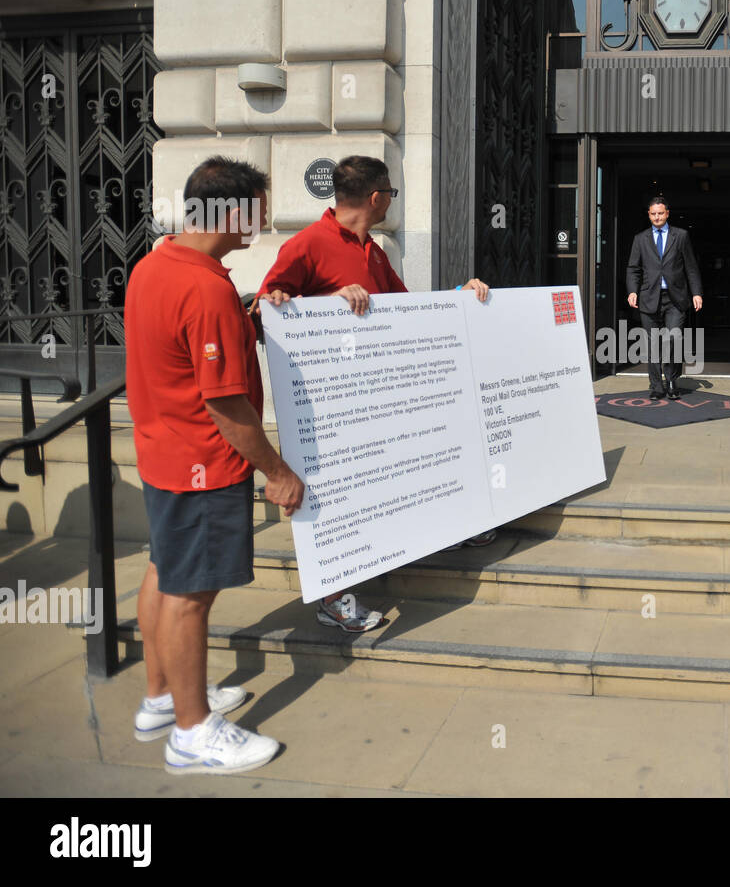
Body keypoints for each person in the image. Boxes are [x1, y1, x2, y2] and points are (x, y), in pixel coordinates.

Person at [256, 155, 493, 632]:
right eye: (392, 193)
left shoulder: (375, 251)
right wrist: (326, 302)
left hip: (376, 399)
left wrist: (459, 294)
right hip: (325, 408)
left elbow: (408, 310)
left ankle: (417, 540)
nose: (391, 201)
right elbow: (266, 312)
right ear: (376, 196)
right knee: (327, 499)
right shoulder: (307, 245)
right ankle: (333, 598)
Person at [126, 156, 303, 775]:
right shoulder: (203, 287)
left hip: (162, 454)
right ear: (231, 211)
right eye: (258, 207)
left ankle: (164, 698)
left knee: (164, 571)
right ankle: (192, 731)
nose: (263, 220)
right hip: (201, 461)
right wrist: (276, 472)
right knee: (189, 596)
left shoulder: (156, 265)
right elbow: (224, 401)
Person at [626, 196, 703, 400]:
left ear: (667, 213)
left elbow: (691, 267)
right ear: (649, 215)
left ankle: (671, 380)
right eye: (653, 214)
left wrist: (696, 293)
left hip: (675, 297)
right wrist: (632, 290)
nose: (657, 217)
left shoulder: (681, 236)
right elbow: (633, 268)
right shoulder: (640, 239)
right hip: (649, 297)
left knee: (673, 338)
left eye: (661, 213)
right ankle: (656, 386)